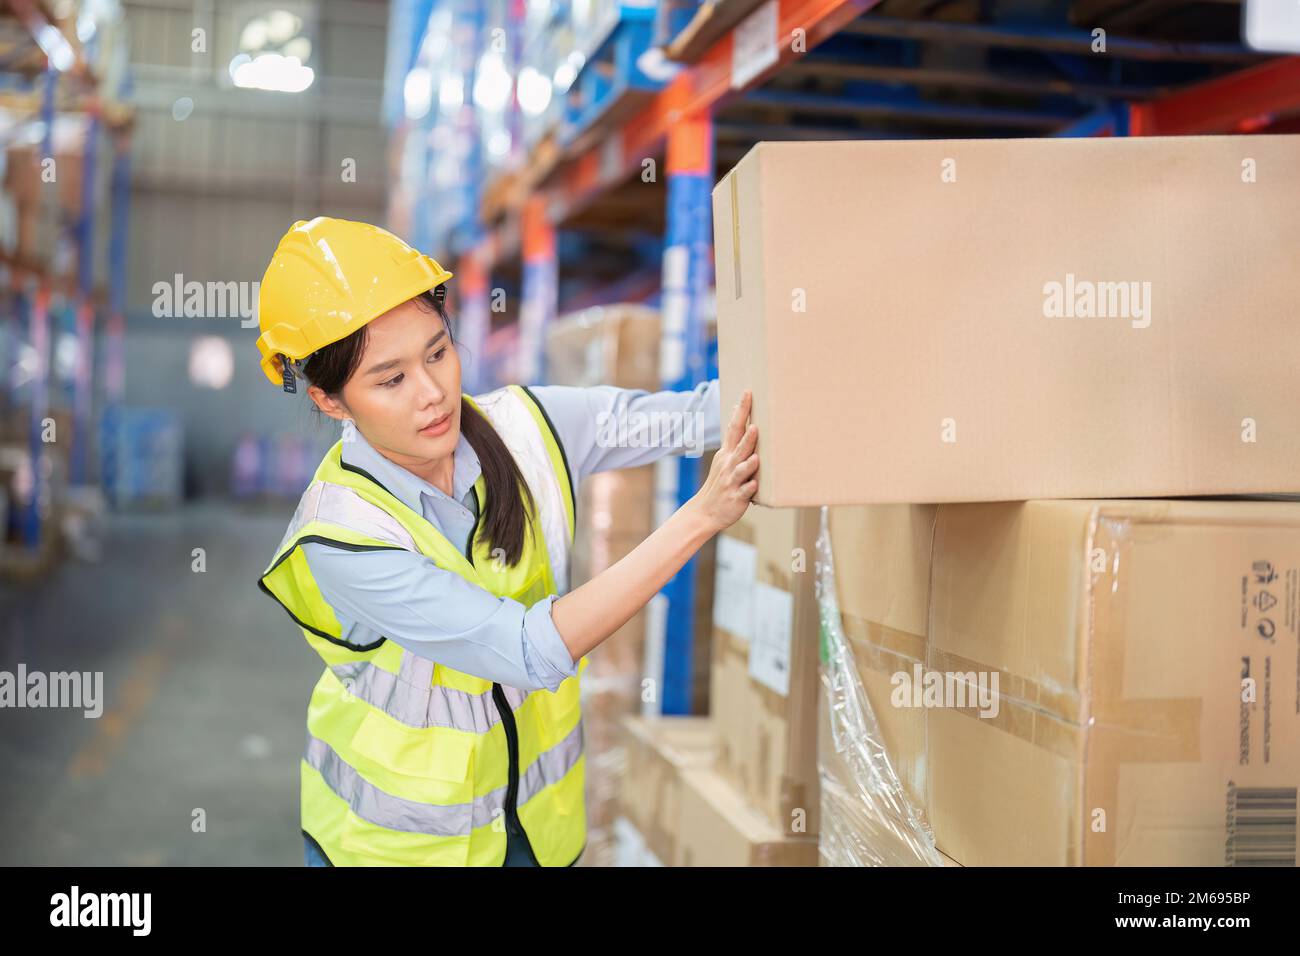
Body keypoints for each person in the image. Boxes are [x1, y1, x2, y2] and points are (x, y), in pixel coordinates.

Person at [253, 217, 759, 866]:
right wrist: (701, 515)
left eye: (438, 352)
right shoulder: (342, 537)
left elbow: (695, 416)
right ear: (331, 402)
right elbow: (527, 650)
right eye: (391, 379)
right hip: (400, 846)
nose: (434, 394)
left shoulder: (526, 427)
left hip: (535, 826)